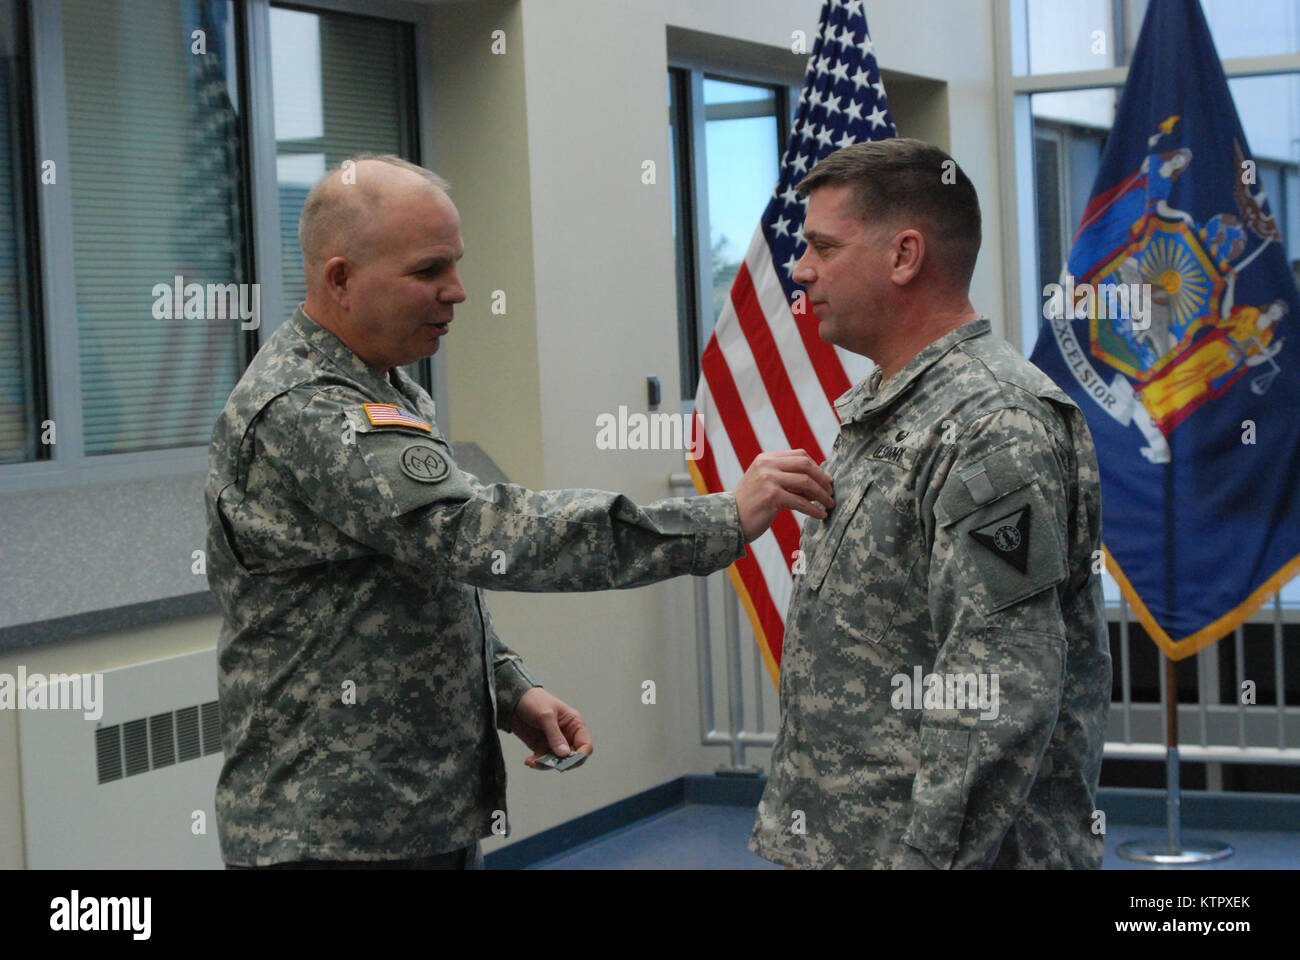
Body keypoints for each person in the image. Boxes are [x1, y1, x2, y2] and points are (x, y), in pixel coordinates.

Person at [207, 155, 834, 869]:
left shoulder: (386, 389)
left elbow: (415, 577)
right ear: (340, 278)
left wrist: (509, 688)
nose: (458, 292)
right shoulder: (308, 407)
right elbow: (475, 533)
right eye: (429, 270)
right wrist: (713, 520)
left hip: (412, 815)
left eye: (456, 264)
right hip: (332, 833)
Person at [749, 139, 1112, 869]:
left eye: (822, 245)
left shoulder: (988, 423)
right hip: (850, 841)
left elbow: (997, 686)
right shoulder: (895, 404)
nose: (802, 268)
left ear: (904, 256)